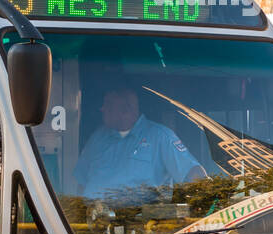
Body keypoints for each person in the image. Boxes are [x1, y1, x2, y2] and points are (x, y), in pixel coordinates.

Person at [73, 86, 206, 202]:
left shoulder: (160, 137)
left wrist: (205, 203)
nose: (102, 109)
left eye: (108, 105)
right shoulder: (97, 138)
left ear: (125, 111)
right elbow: (81, 182)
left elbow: (194, 174)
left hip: (139, 221)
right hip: (91, 220)